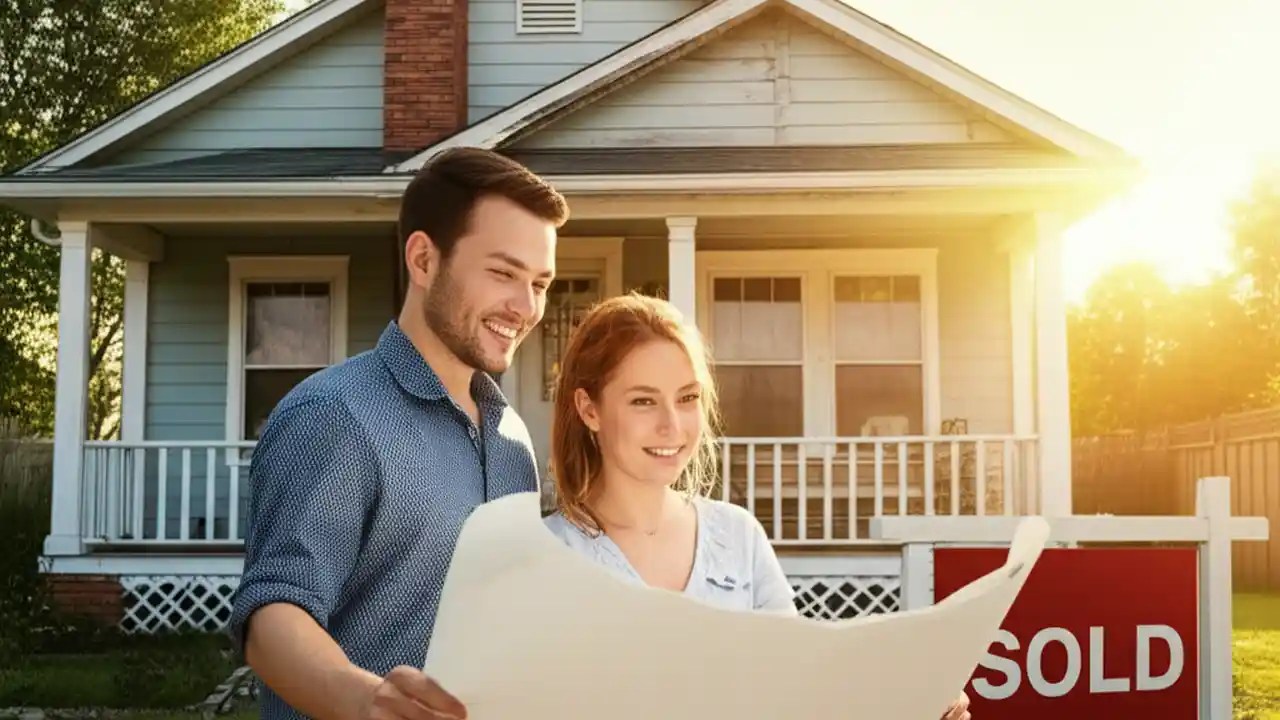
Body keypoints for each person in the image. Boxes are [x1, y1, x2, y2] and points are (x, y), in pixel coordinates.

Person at [227, 146, 568, 720]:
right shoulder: (333, 415)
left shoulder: (511, 437)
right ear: (424, 260)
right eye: (503, 273)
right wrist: (368, 700)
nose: (525, 306)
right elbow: (273, 618)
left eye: (540, 282)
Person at [542, 293, 972, 720]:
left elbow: (799, 694)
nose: (672, 426)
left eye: (687, 398)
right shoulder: (548, 557)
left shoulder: (737, 536)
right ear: (589, 410)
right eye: (643, 401)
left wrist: (909, 704)